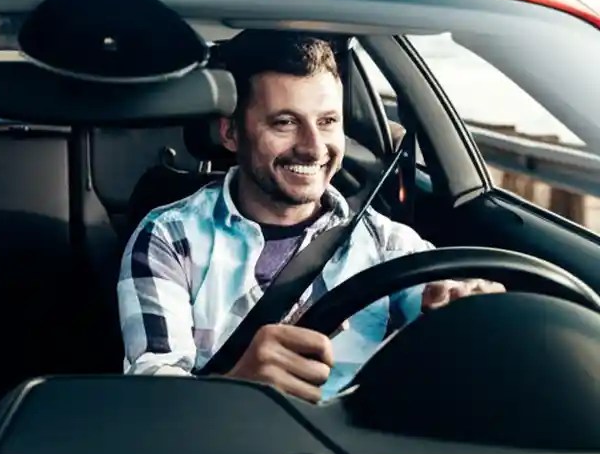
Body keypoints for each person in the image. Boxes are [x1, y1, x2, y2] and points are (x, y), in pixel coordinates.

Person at [117, 30, 503, 403]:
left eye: (327, 122)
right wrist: (236, 386)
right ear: (231, 132)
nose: (313, 147)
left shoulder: (387, 243)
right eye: (285, 122)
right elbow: (153, 394)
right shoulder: (170, 239)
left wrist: (465, 308)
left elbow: (437, 300)